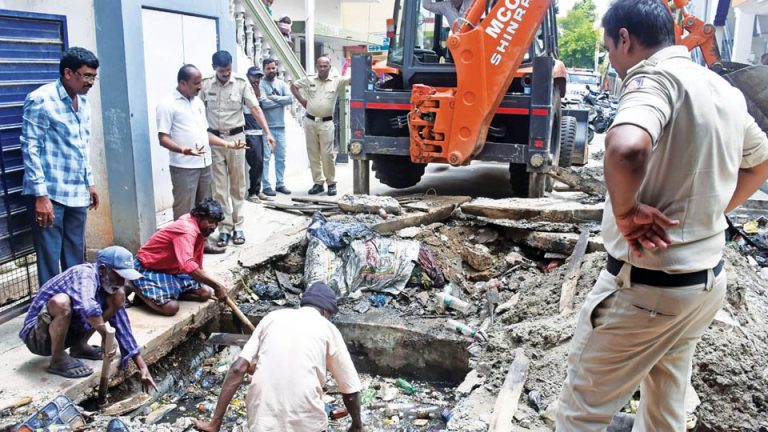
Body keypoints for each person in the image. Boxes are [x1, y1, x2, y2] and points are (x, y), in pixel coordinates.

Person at [555, 1, 768, 431]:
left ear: (625, 39)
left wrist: (627, 212)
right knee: (664, 408)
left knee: (580, 413)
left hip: (648, 290)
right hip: (703, 285)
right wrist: (715, 208)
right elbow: (760, 162)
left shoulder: (653, 79)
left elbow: (627, 147)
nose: (612, 62)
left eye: (610, 49)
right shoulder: (719, 88)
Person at [193, 282, 364, 432]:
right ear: (326, 311)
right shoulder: (328, 329)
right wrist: (357, 426)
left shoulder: (272, 318)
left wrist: (214, 424)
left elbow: (237, 369)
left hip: (262, 421)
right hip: (307, 423)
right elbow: (350, 390)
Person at [19, 245, 156, 392]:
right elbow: (88, 307)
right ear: (103, 269)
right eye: (120, 276)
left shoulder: (110, 287)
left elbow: (123, 327)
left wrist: (142, 366)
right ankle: (57, 359)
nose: (123, 282)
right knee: (61, 303)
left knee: (119, 297)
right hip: (38, 337)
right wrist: (105, 335)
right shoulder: (84, 274)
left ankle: (80, 347)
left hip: (68, 333)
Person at [21, 47, 101, 286]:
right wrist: (41, 195)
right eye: (86, 76)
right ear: (68, 73)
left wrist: (90, 182)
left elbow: (80, 146)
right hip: (51, 194)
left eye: (94, 77)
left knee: (75, 254)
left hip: (76, 192)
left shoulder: (83, 103)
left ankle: (76, 305)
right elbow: (30, 148)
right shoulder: (41, 100)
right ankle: (50, 312)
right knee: (49, 257)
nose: (91, 82)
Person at [156, 64, 246, 254]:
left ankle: (201, 245)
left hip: (204, 164)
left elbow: (205, 134)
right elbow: (162, 138)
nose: (200, 87)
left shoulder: (197, 102)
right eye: (196, 83)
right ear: (182, 83)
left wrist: (228, 145)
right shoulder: (167, 104)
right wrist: (183, 150)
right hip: (184, 167)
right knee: (184, 211)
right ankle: (182, 251)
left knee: (204, 210)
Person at [201, 51, 275, 248]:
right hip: (215, 139)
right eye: (221, 71)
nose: (226, 74)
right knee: (219, 187)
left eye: (228, 70)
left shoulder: (242, 83)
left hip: (237, 138)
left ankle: (238, 226)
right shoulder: (206, 84)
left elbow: (256, 108)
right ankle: (224, 228)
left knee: (238, 184)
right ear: (214, 68)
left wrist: (267, 132)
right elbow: (196, 110)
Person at [130, 198, 229, 317]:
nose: (213, 227)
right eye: (210, 221)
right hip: (149, 267)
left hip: (173, 268)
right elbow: (188, 265)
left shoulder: (198, 226)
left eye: (216, 223)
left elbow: (195, 262)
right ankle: (133, 286)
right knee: (171, 308)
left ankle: (167, 293)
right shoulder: (186, 229)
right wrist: (217, 286)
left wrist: (212, 284)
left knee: (205, 294)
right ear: (199, 217)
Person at [291, 56, 349, 196]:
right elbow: (294, 86)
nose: (323, 68)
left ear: (330, 67)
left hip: (326, 123)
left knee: (327, 154)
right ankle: (318, 182)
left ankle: (331, 183)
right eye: (320, 66)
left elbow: (353, 79)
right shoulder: (309, 79)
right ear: (317, 66)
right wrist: (302, 100)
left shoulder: (337, 80)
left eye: (325, 66)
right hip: (310, 122)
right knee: (313, 154)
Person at [259, 58, 294, 197]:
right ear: (264, 70)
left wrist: (272, 98)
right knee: (266, 158)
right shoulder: (261, 85)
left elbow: (290, 99)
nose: (272, 71)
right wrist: (281, 101)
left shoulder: (282, 84)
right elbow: (263, 103)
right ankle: (266, 186)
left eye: (273, 68)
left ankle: (280, 184)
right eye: (268, 68)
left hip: (280, 127)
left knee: (281, 158)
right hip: (267, 129)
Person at [244, 66, 272, 203]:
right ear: (248, 76)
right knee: (256, 161)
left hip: (258, 130)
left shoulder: (259, 90)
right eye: (254, 77)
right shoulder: (244, 89)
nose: (256, 80)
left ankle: (256, 190)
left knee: (260, 162)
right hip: (248, 129)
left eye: (259, 77)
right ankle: (251, 193)